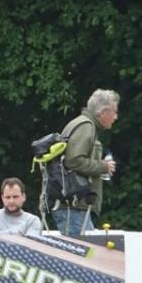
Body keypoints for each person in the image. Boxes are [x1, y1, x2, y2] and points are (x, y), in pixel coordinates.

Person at [52, 89, 119, 236]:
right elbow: (74, 160)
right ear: (102, 112)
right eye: (114, 112)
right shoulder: (86, 127)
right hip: (75, 207)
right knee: (83, 257)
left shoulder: (82, 124)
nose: (116, 117)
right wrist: (103, 166)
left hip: (74, 207)